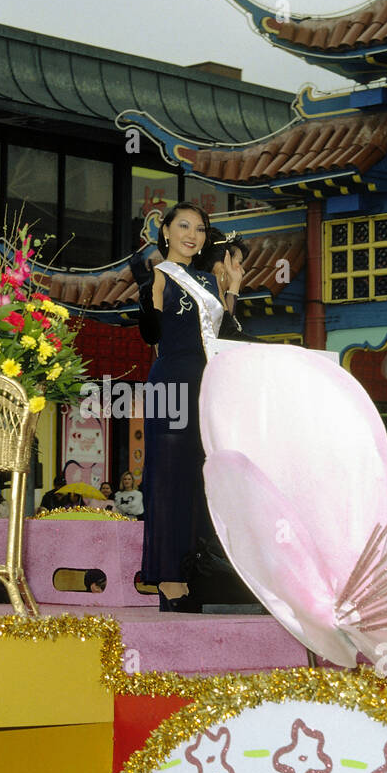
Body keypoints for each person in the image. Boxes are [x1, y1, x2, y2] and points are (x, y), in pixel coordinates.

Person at [134, 202, 243, 611]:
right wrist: (149, 295)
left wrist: (231, 287)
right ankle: (168, 578)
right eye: (183, 226)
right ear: (165, 232)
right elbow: (150, 336)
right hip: (171, 385)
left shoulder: (208, 280)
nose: (191, 234)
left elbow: (226, 334)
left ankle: (200, 569)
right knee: (169, 477)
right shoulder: (160, 278)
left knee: (204, 475)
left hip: (208, 384)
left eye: (199, 228)